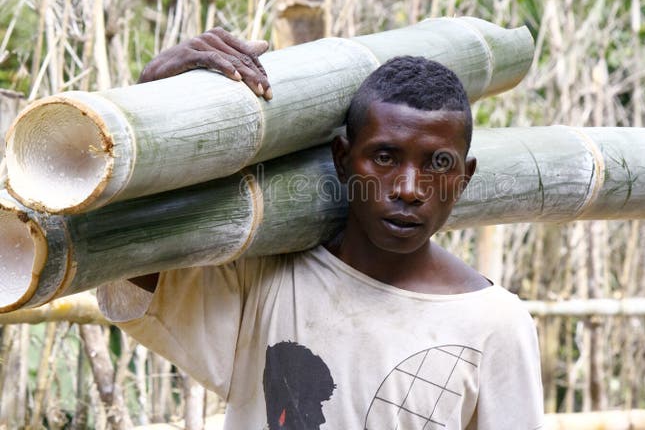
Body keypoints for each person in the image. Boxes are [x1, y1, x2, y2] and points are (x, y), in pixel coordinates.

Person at [97, 28, 545, 429]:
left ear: (463, 178)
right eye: (386, 157)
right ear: (342, 159)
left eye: (438, 163)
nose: (409, 189)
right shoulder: (268, 278)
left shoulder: (494, 325)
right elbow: (136, 272)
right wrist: (154, 99)